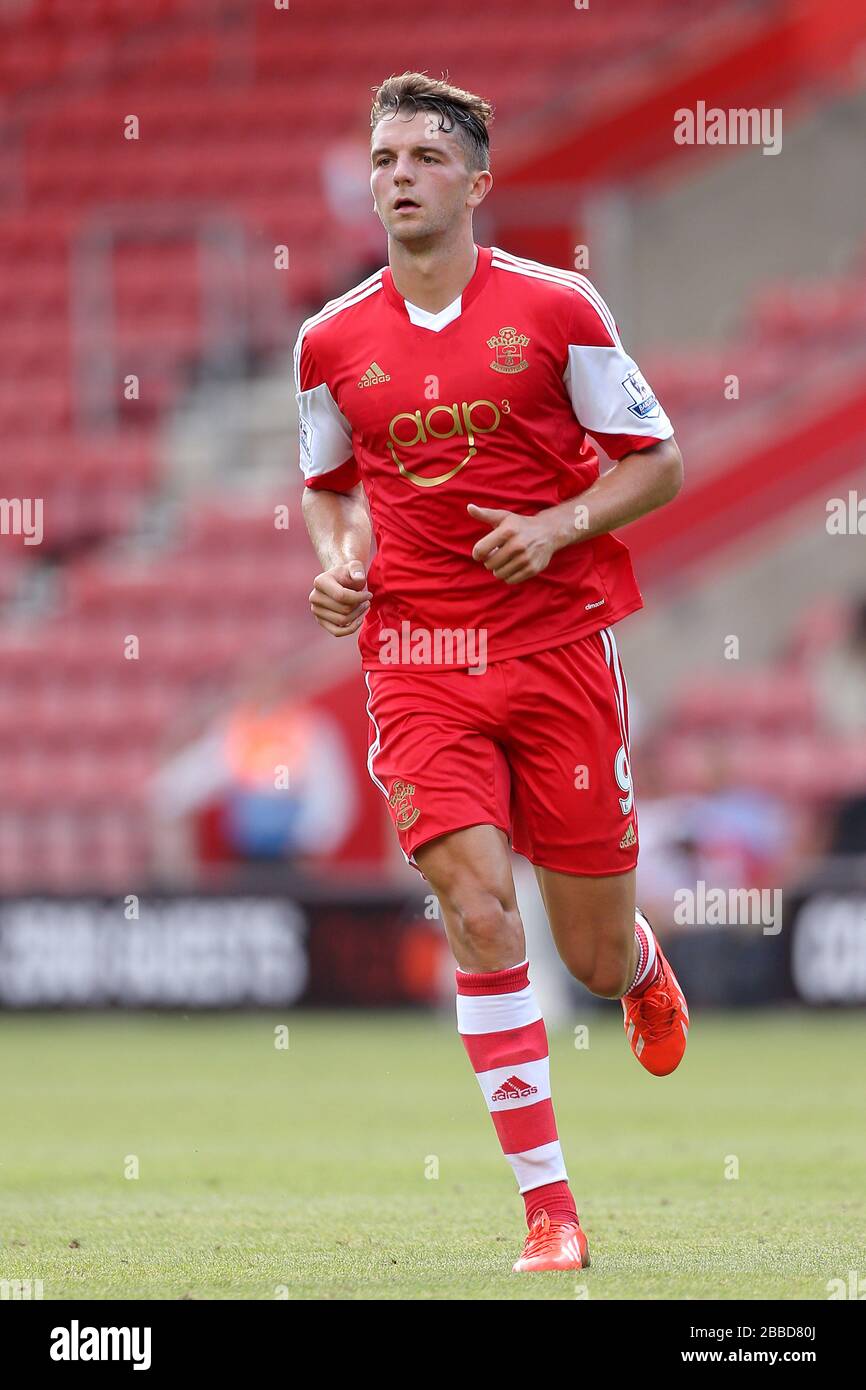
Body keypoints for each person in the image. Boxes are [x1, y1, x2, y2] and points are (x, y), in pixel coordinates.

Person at [294, 71, 687, 1274]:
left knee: (587, 953)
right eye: (380, 159)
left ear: (477, 181)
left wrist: (558, 525)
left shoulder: (558, 310)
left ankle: (640, 967)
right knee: (474, 907)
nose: (397, 175)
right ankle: (547, 1211)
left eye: (420, 156)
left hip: (558, 647)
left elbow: (656, 461)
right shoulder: (328, 338)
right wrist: (340, 563)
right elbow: (327, 488)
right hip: (417, 654)